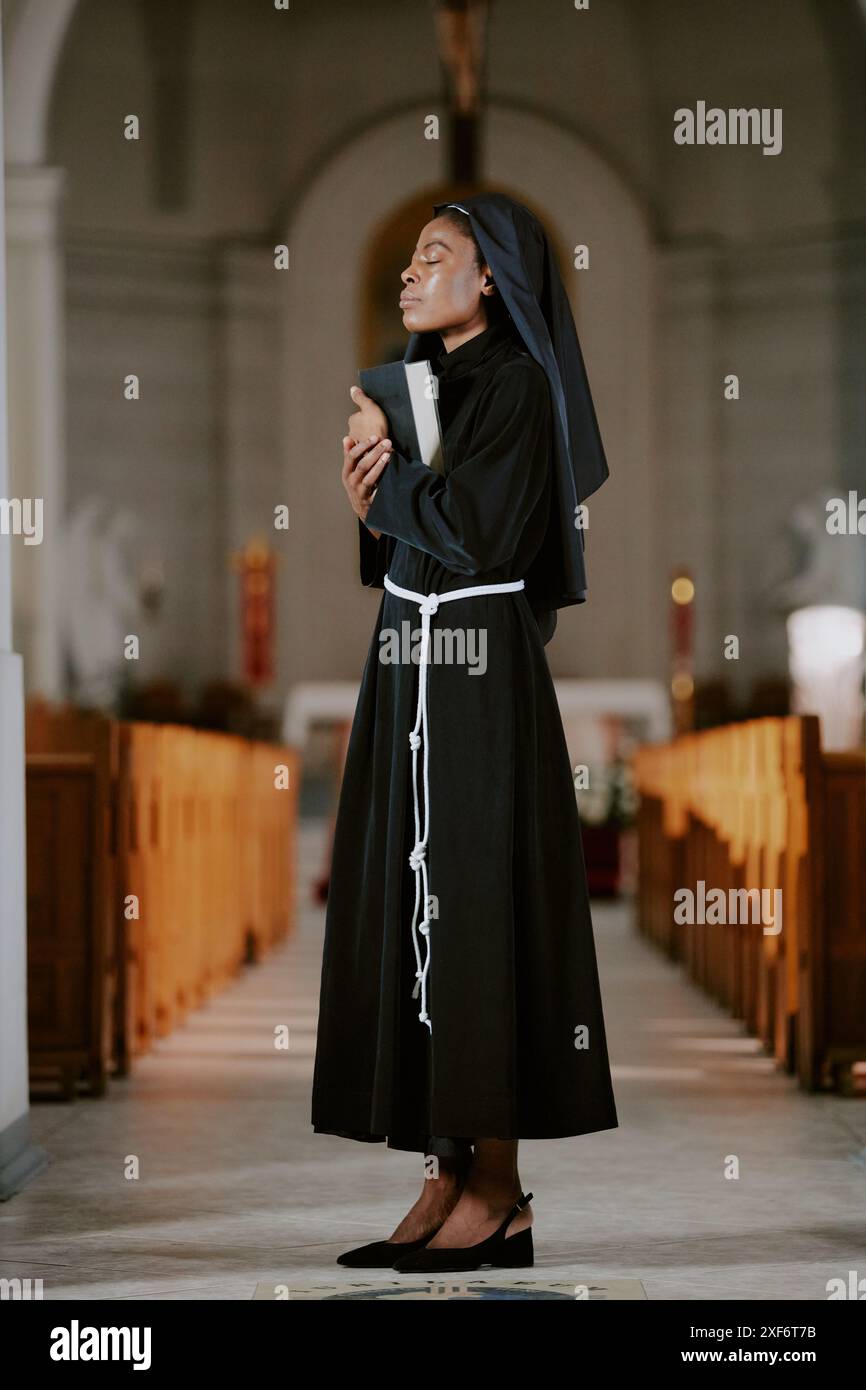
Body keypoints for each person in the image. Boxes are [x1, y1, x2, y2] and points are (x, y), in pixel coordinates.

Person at [310, 193, 618, 1274]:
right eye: (404, 257)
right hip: (407, 657)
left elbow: (482, 537)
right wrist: (379, 497)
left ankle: (497, 1188)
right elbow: (406, 538)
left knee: (476, 908)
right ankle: (440, 1172)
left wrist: (386, 491)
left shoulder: (521, 387)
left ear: (489, 277)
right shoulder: (413, 387)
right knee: (408, 899)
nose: (408, 271)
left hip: (476, 671)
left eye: (434, 255)